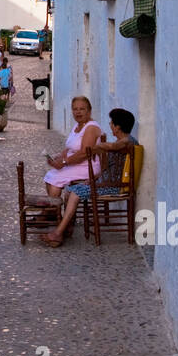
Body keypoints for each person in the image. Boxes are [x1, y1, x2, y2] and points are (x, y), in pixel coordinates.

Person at [41, 108, 136, 247]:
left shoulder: (128, 141)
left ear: (117, 127)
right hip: (105, 183)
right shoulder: (123, 141)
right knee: (70, 190)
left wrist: (99, 147)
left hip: (113, 187)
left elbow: (117, 145)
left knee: (75, 193)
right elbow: (106, 168)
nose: (110, 125)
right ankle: (67, 227)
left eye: (111, 123)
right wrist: (93, 179)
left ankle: (57, 233)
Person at [43, 96, 103, 200]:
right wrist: (58, 158)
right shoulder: (77, 126)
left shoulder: (91, 127)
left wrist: (64, 162)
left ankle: (50, 212)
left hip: (87, 166)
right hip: (76, 164)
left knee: (55, 179)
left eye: (82, 109)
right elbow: (69, 147)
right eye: (75, 109)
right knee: (50, 175)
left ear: (89, 111)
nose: (78, 112)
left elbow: (84, 153)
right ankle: (51, 211)